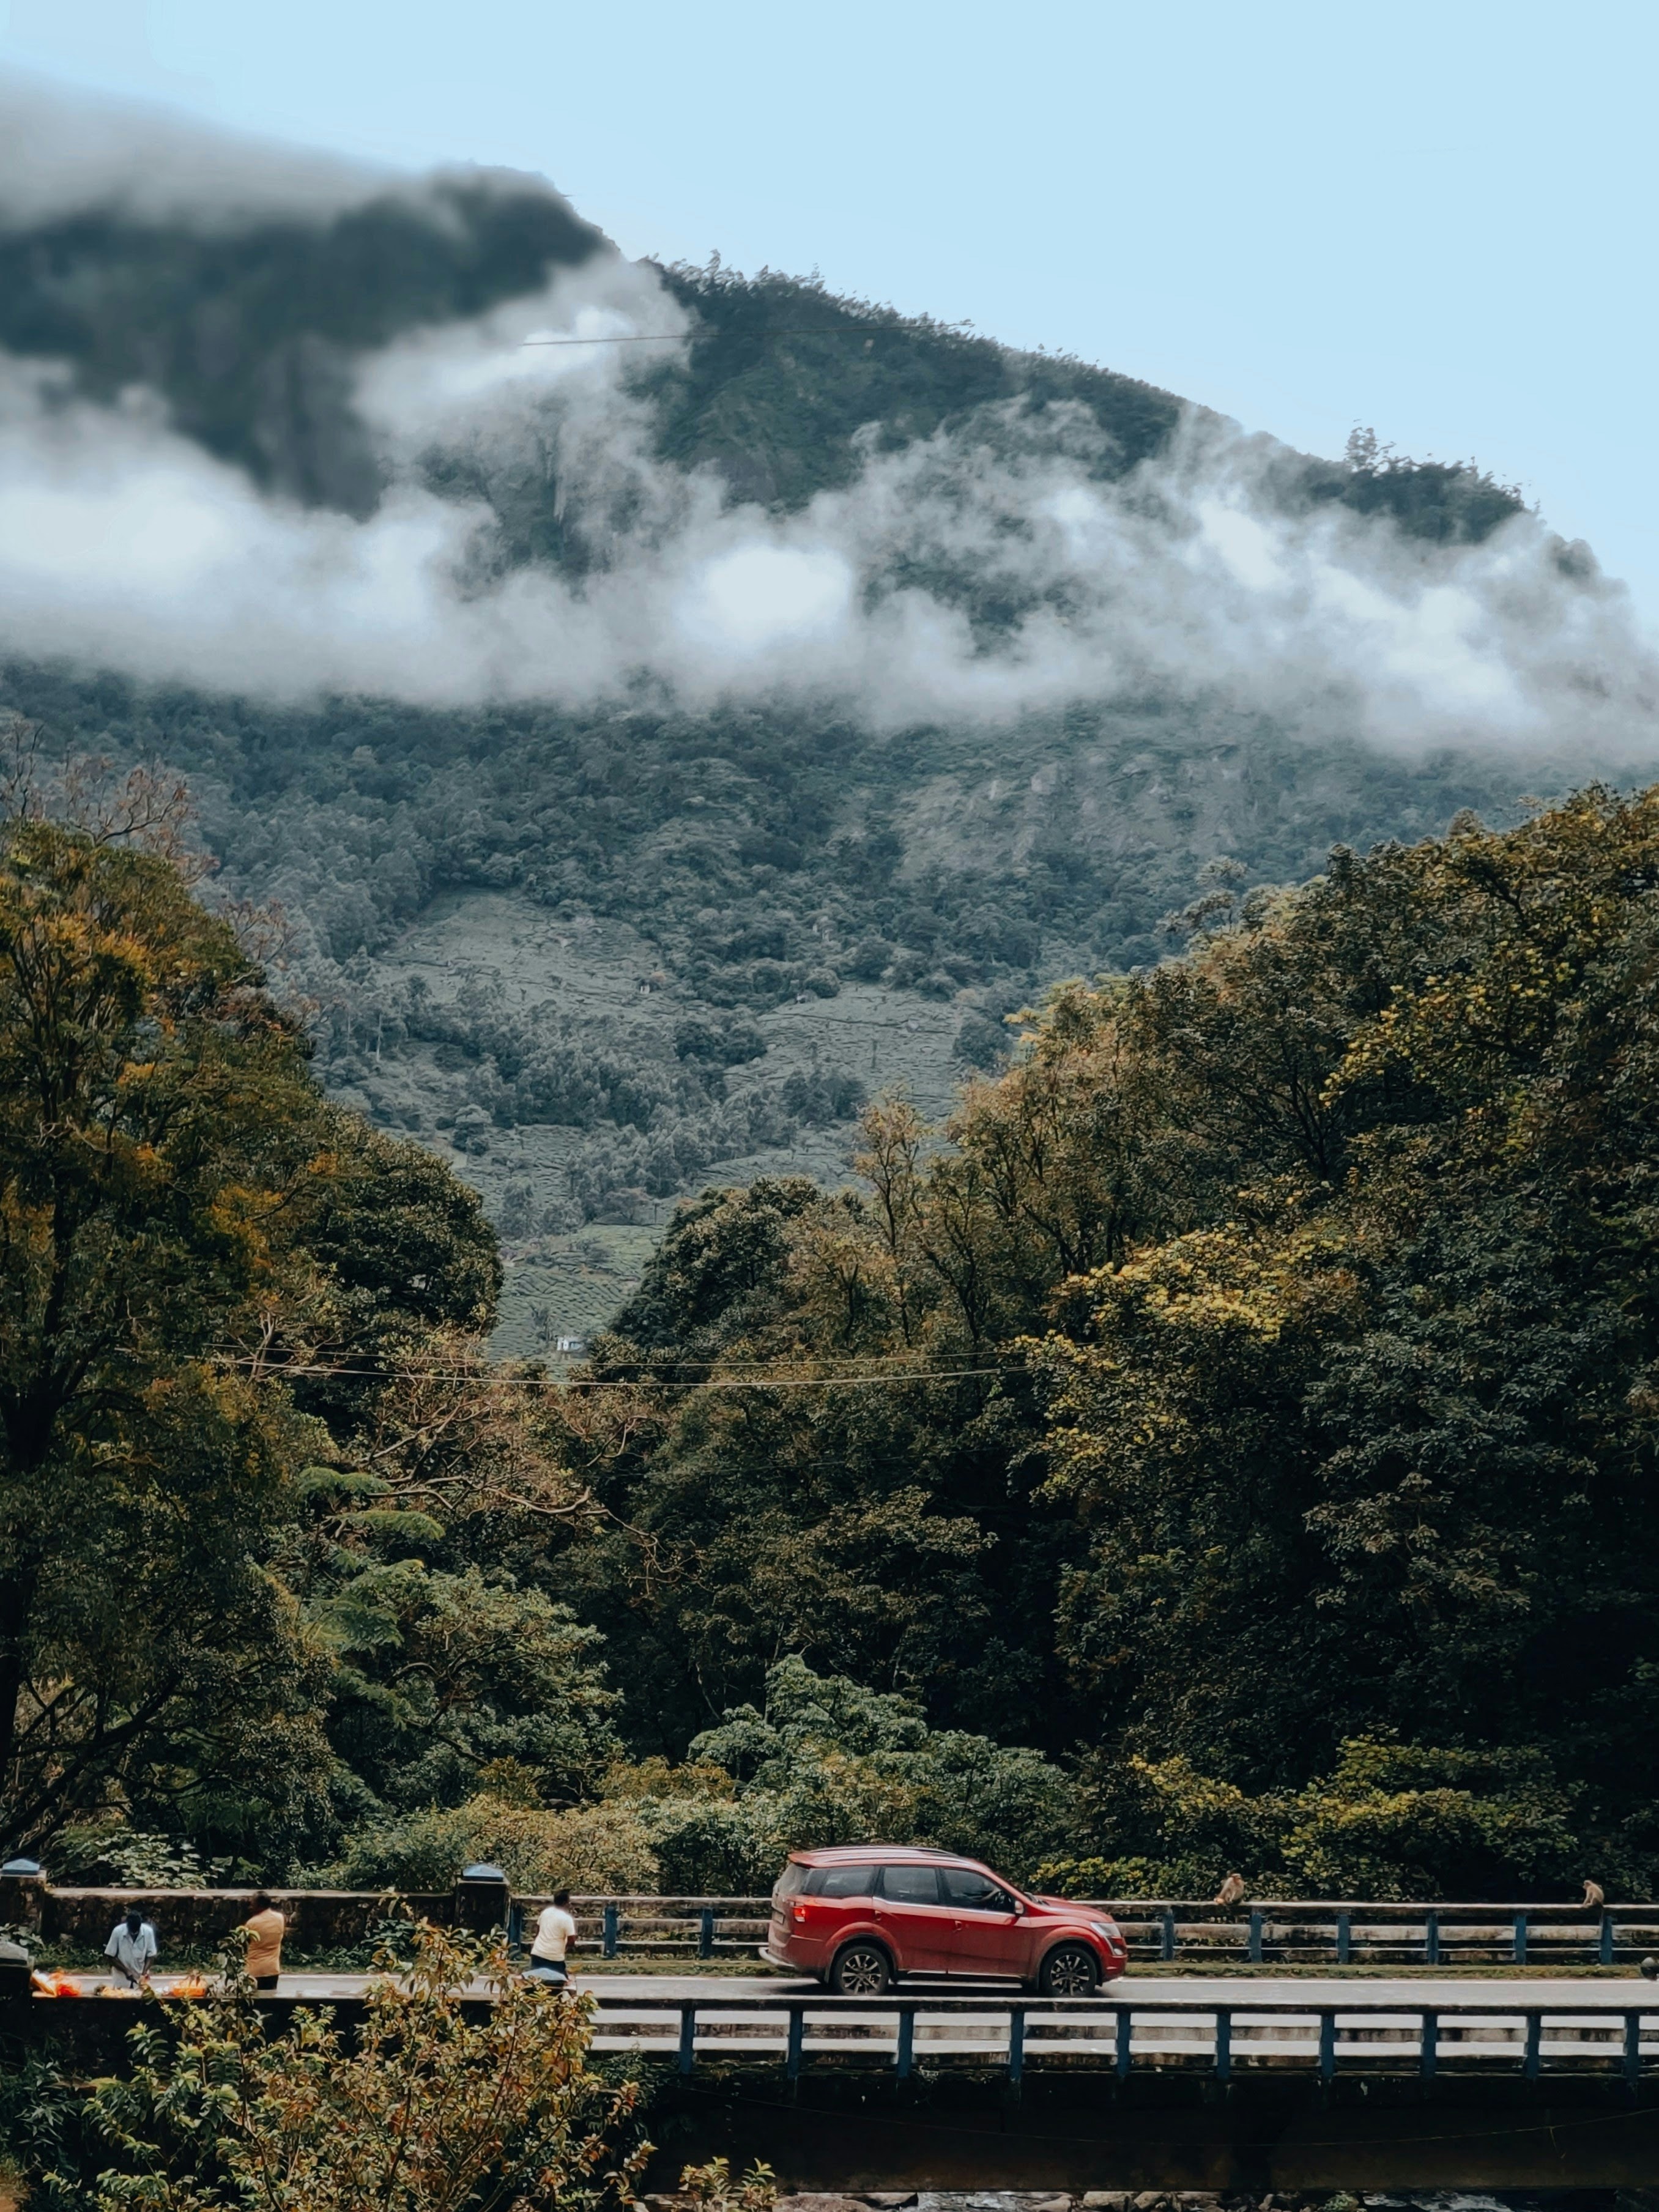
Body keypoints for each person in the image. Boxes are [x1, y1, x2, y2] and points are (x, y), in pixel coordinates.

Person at [527, 1889, 577, 1987]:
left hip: (538, 1953)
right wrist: (565, 1948)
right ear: (566, 1903)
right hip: (555, 1958)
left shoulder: (545, 1913)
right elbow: (572, 1940)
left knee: (535, 1984)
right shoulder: (567, 1919)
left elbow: (538, 1931)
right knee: (558, 1986)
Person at [240, 1891, 286, 1990]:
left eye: (253, 1904)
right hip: (273, 1969)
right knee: (269, 2002)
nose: (250, 1907)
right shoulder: (280, 1918)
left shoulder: (252, 1923)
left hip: (255, 1970)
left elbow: (243, 1943)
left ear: (260, 1906)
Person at [105, 1907, 158, 1989]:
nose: (134, 1933)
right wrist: (127, 1972)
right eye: (132, 1931)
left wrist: (144, 1974)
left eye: (136, 1931)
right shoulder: (118, 1931)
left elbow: (151, 1956)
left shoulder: (148, 1932)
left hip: (140, 1977)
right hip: (122, 1977)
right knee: (122, 1999)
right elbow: (110, 1956)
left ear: (140, 1925)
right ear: (128, 1925)